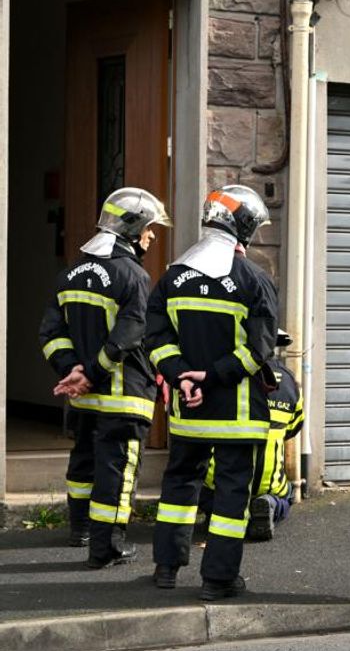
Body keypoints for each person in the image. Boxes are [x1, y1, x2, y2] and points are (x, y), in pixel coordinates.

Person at [146, 185, 277, 600]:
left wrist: (182, 375)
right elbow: (260, 349)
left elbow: (157, 339)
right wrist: (213, 376)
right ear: (245, 229)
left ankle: (166, 567)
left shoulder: (172, 277)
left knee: (179, 486)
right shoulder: (254, 279)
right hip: (236, 415)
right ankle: (218, 579)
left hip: (188, 410)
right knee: (232, 494)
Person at [38, 187, 171, 567]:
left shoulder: (71, 274)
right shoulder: (133, 275)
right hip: (122, 397)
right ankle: (107, 547)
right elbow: (127, 336)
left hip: (82, 399)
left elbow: (50, 334)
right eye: (149, 227)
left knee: (82, 463)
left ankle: (79, 531)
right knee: (117, 471)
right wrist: (92, 374)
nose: (152, 235)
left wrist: (72, 371)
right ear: (132, 228)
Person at [198, 329, 304, 541]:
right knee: (287, 493)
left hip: (223, 479)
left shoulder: (225, 373)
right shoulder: (290, 382)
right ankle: (269, 504)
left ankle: (220, 513)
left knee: (204, 484)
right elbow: (293, 427)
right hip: (270, 482)